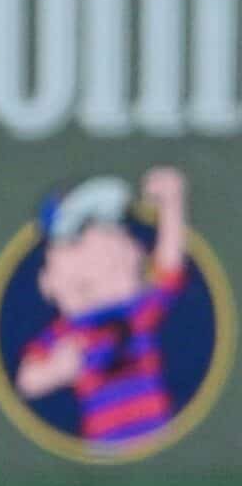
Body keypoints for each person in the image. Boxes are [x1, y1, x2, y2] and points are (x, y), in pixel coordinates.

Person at [16, 169, 189, 447]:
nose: (105, 248)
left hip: (157, 438)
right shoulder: (66, 333)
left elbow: (169, 269)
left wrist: (172, 203)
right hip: (104, 448)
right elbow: (27, 379)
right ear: (50, 278)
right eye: (82, 236)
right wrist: (57, 370)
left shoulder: (139, 311)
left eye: (111, 230)